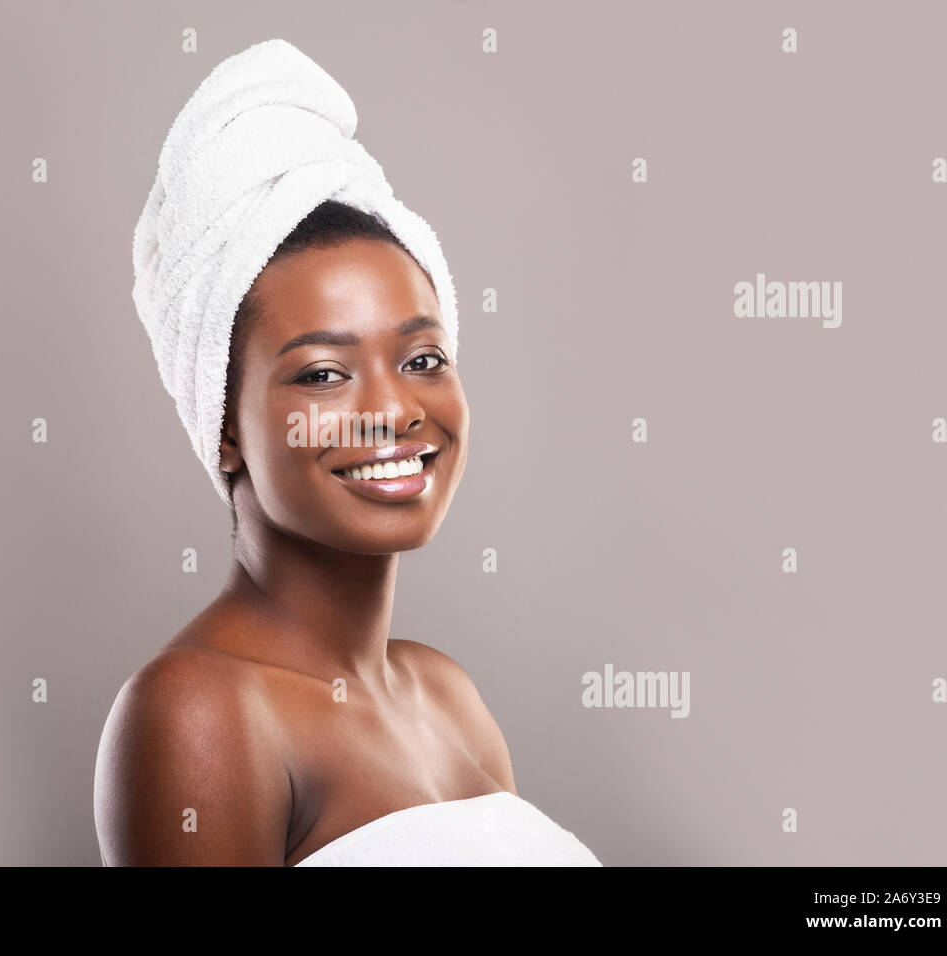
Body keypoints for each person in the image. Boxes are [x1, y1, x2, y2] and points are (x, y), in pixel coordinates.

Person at [94, 39, 600, 867]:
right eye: (324, 373)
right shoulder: (201, 709)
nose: (393, 411)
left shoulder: (448, 697)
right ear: (225, 426)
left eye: (422, 360)